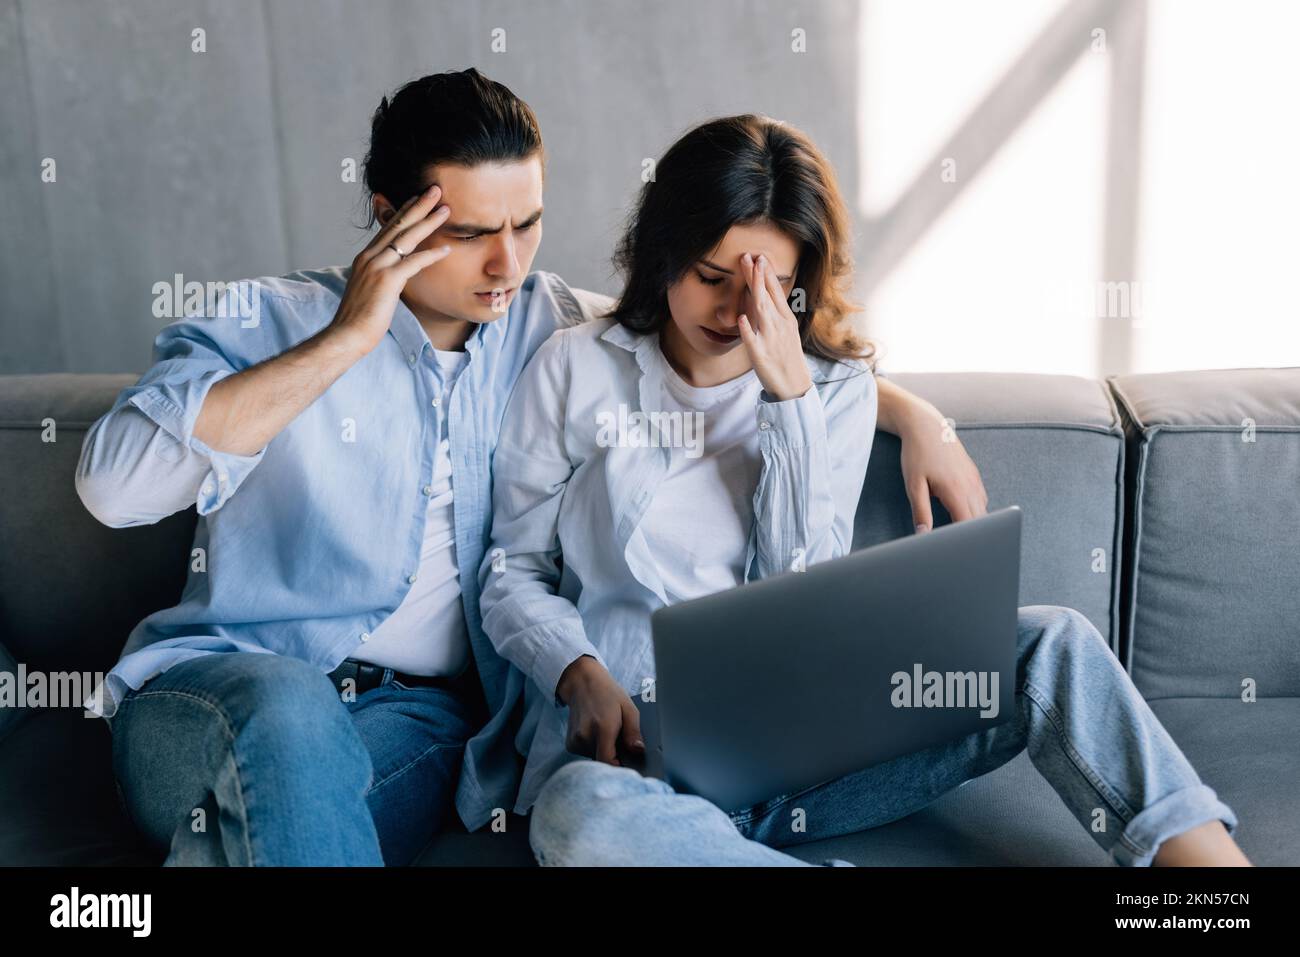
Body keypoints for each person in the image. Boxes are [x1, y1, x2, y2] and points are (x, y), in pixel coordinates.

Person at [74, 70, 971, 865]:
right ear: (390, 218)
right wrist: (345, 340)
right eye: (469, 233)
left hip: (413, 725)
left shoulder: (544, 325)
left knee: (243, 838)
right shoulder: (268, 319)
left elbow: (713, 343)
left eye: (528, 222)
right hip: (220, 693)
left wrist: (908, 409)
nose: (506, 262)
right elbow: (113, 487)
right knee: (288, 712)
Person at [477, 113, 1252, 867]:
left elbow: (797, 589)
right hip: (632, 764)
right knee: (577, 820)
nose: (736, 310)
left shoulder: (833, 391)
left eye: (769, 288)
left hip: (805, 755)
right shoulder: (576, 367)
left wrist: (789, 406)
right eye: (714, 277)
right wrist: (575, 669)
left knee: (1051, 641)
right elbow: (513, 567)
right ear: (663, 252)